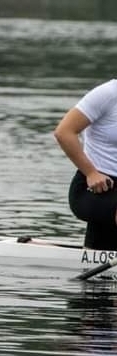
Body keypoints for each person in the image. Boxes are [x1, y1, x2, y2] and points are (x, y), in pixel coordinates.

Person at [54, 79, 117, 250]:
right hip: (96, 188)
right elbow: (64, 132)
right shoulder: (107, 94)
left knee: (98, 250)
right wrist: (91, 173)